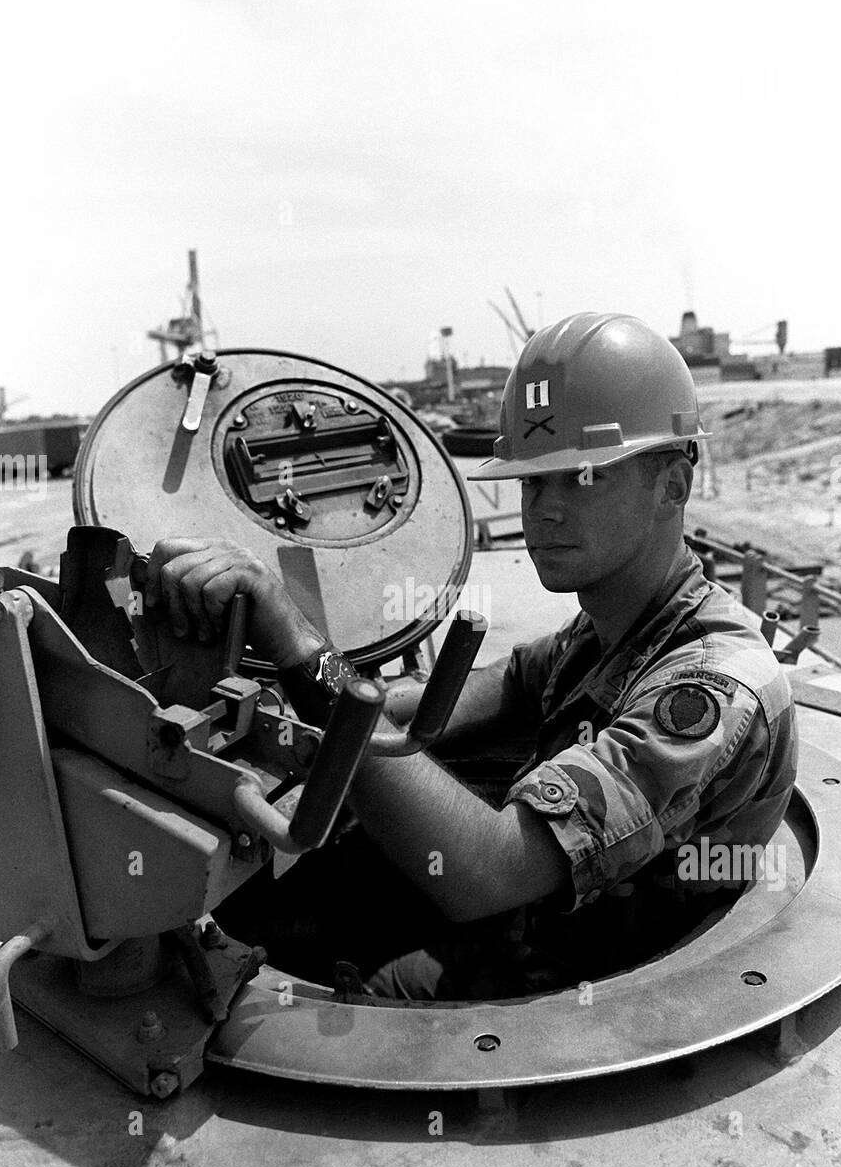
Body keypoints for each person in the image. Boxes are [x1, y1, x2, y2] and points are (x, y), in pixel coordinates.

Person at [144, 312, 798, 1000]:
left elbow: (485, 873)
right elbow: (454, 700)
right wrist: (301, 693)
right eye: (530, 480)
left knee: (342, 999)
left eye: (580, 477)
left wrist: (299, 642)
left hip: (603, 974)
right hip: (545, 915)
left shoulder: (709, 688)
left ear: (673, 485)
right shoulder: (611, 630)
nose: (541, 509)